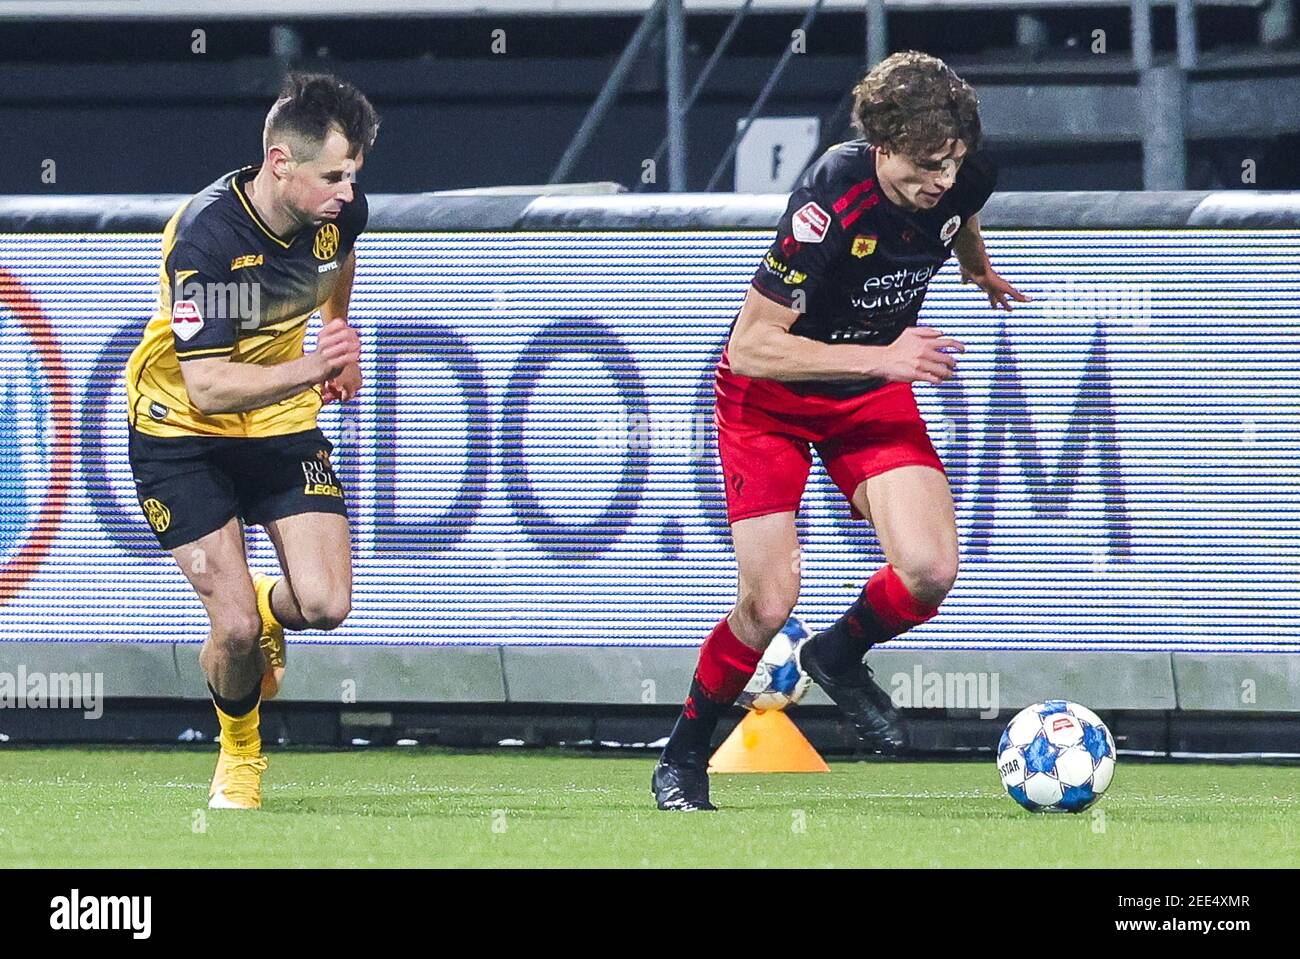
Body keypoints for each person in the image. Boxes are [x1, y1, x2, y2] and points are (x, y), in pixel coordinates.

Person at [653, 51, 1029, 811]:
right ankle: (684, 756)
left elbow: (960, 213)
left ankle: (838, 652)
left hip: (864, 396)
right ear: (883, 146)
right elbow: (749, 346)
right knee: (768, 603)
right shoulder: (830, 200)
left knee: (930, 570)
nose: (941, 181)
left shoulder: (964, 172)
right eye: (925, 167)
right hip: (769, 401)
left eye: (952, 163)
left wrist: (976, 266)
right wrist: (884, 356)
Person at [124, 72, 379, 809]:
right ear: (280, 163)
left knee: (328, 604)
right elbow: (207, 387)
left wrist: (335, 326)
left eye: (353, 175)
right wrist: (316, 366)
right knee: (233, 630)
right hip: (181, 434)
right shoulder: (206, 238)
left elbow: (339, 256)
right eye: (332, 176)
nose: (347, 191)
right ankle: (240, 754)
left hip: (277, 424)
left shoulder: (341, 211)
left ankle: (269, 601)